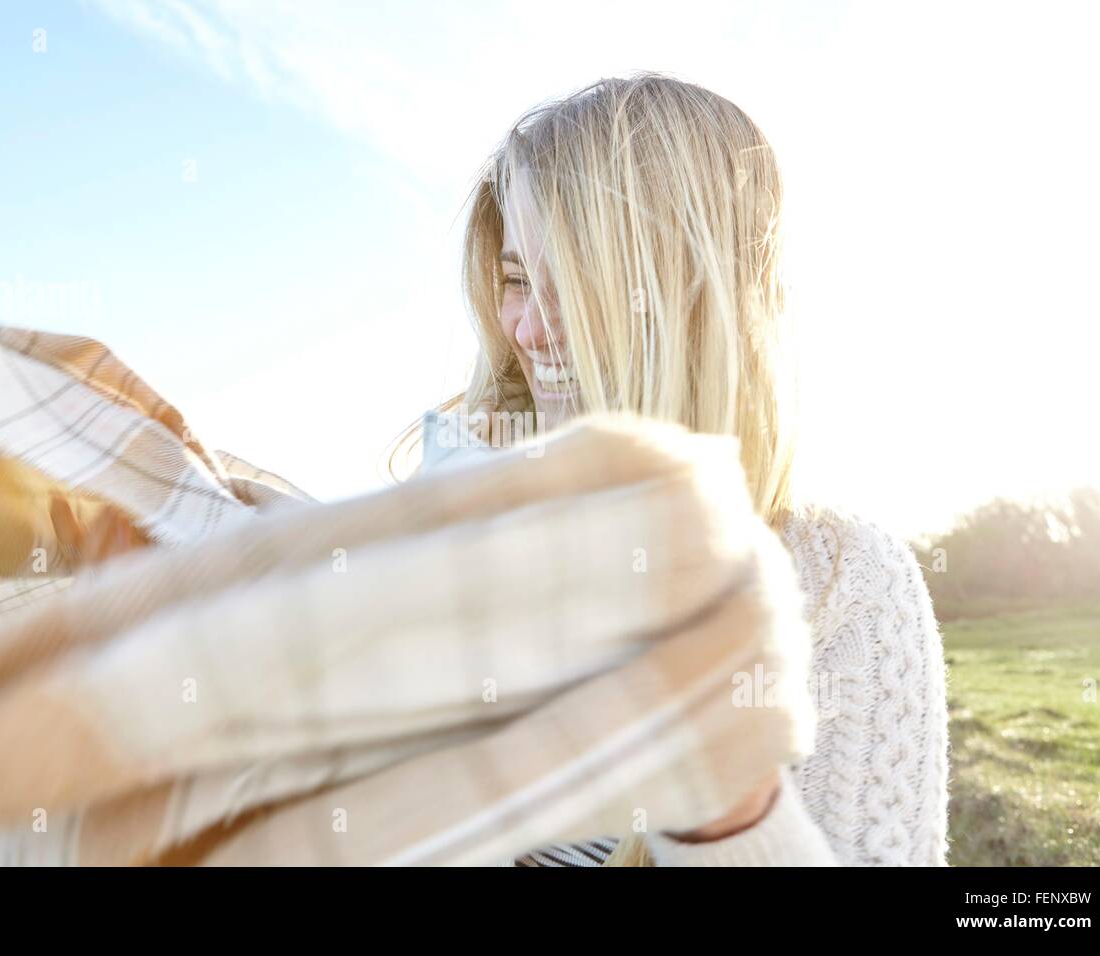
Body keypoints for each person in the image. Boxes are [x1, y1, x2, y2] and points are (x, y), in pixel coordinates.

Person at [406, 73, 949, 866]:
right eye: (518, 279)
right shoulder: (446, 538)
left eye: (581, 287)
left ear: (693, 300)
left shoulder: (844, 586)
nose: (527, 327)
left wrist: (726, 812)